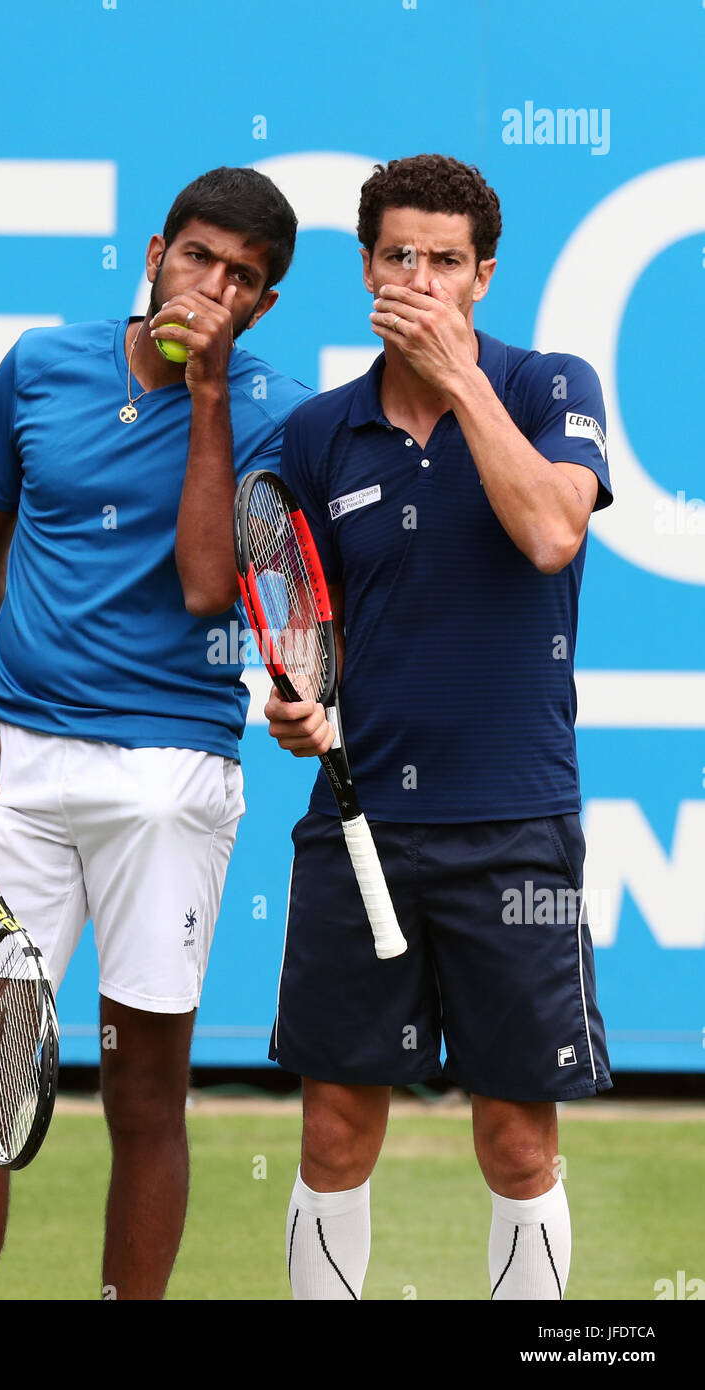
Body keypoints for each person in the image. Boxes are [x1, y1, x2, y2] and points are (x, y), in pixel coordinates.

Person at [0, 165, 311, 1300]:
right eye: (198, 259)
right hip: (14, 762)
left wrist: (210, 395)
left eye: (242, 279)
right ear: (153, 253)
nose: (211, 289)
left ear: (262, 305)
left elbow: (199, 585)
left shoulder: (276, 406)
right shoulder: (39, 365)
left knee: (143, 1096)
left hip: (170, 776)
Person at [262, 155, 613, 1300]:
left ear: (482, 276)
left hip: (515, 830)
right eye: (397, 255)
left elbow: (552, 532)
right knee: (330, 1137)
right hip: (360, 830)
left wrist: (462, 384)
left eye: (443, 260)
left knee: (517, 1142)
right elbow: (323, 627)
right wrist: (308, 700)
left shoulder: (551, 385)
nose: (418, 277)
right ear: (363, 267)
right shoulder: (318, 434)